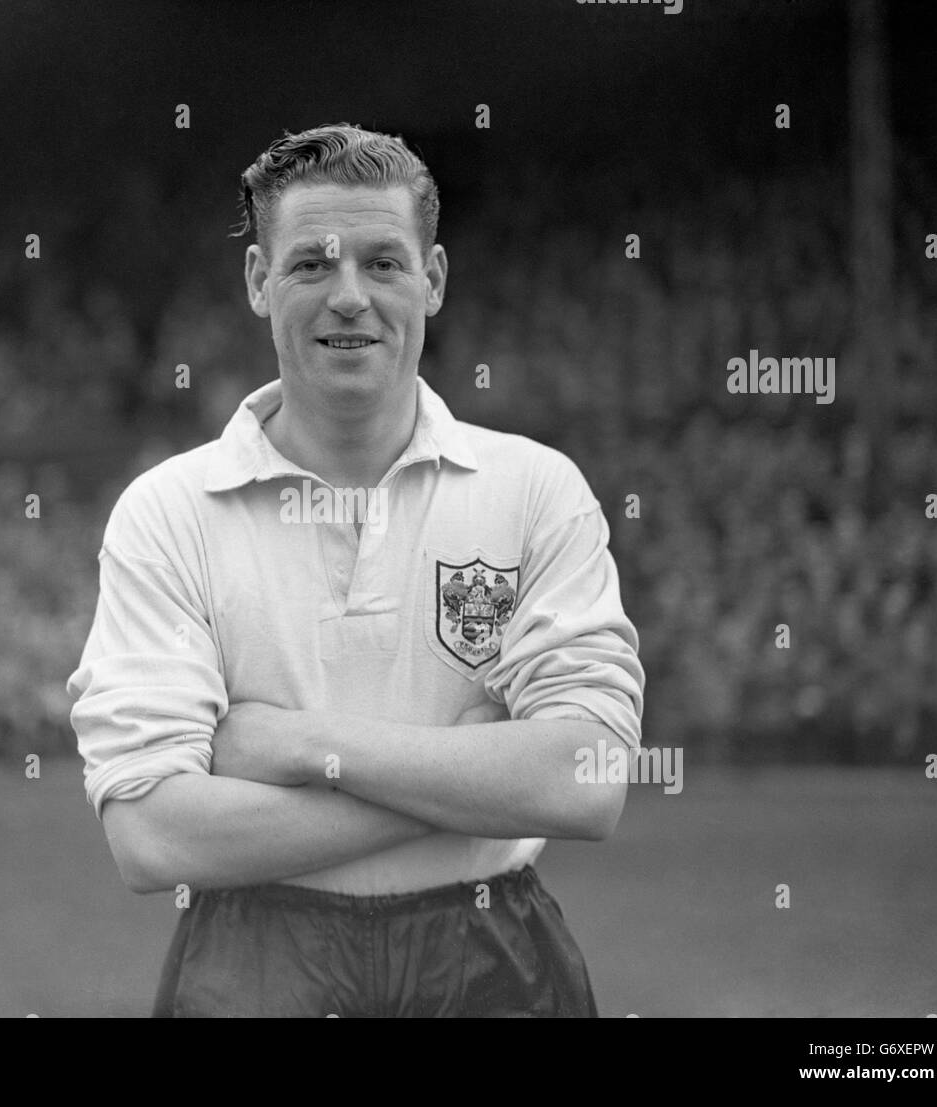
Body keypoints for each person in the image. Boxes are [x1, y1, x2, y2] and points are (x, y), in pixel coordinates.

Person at [66, 122, 645, 1017]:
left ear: (434, 279)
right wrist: (479, 777)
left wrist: (300, 746)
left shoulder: (535, 489)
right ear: (260, 282)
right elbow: (151, 836)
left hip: (492, 954)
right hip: (255, 955)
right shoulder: (168, 512)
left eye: (382, 262)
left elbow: (590, 775)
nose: (349, 298)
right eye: (310, 265)